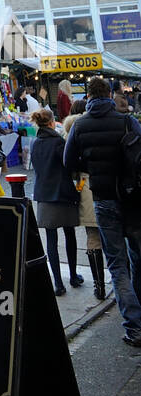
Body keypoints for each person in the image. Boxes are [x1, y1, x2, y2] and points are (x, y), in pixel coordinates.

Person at [64, 75, 141, 347]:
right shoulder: (127, 121)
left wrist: (92, 164)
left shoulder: (80, 125)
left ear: (87, 97)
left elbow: (68, 160)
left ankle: (134, 327)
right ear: (109, 95)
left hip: (104, 198)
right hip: (133, 199)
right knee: (137, 257)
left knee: (118, 264)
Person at [29, 108, 82, 295]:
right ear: (52, 123)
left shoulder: (35, 143)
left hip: (44, 195)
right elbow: (70, 165)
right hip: (63, 194)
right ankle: (74, 276)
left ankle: (58, 283)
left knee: (51, 240)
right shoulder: (59, 143)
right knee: (70, 235)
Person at [64, 99, 106, 300]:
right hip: (111, 188)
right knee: (115, 239)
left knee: (93, 236)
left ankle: (99, 287)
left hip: (86, 186)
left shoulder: (73, 131)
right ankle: (121, 283)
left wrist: (77, 186)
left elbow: (69, 163)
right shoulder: (111, 124)